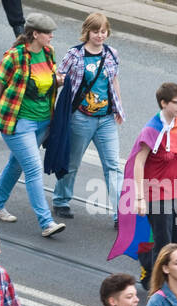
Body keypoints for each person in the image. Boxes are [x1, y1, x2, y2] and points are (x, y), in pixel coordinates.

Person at [0, 14, 66, 237]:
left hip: (43, 121)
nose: (51, 36)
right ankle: (46, 222)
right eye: (48, 33)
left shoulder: (48, 52)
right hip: (18, 123)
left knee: (16, 164)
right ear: (35, 34)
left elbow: (47, 80)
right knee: (33, 169)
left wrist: (58, 80)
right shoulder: (14, 56)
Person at [127, 82, 177, 282]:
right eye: (176, 102)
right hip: (158, 195)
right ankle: (158, 287)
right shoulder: (152, 129)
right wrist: (139, 198)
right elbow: (139, 163)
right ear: (163, 103)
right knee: (164, 247)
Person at [49, 12, 124, 222]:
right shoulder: (75, 54)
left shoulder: (111, 54)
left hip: (106, 119)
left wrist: (118, 107)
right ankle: (61, 200)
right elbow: (58, 77)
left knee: (113, 167)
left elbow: (114, 81)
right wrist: (60, 80)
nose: (100, 36)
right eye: (95, 31)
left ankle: (121, 214)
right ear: (86, 32)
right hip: (81, 118)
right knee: (72, 163)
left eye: (103, 31)